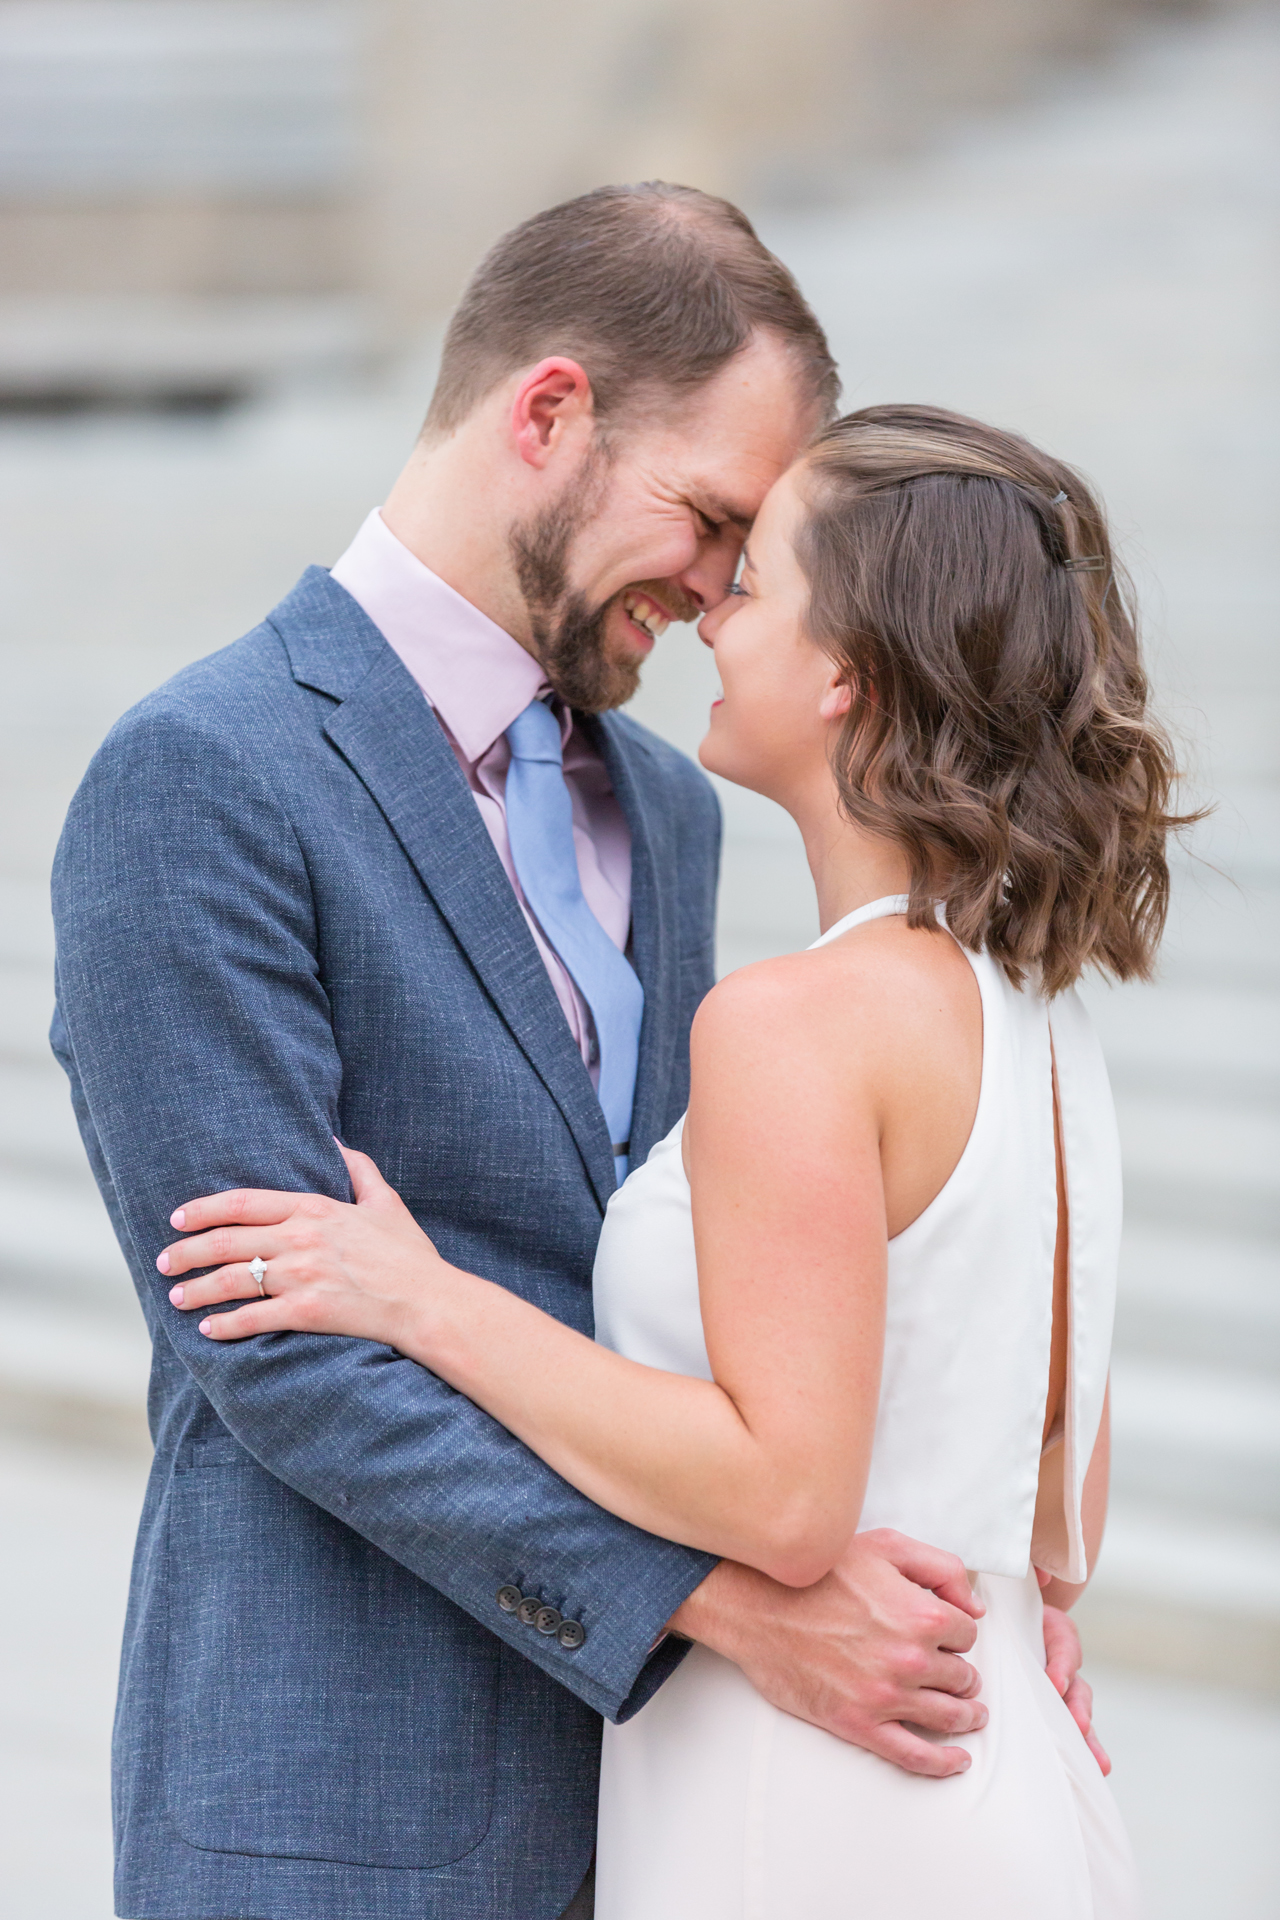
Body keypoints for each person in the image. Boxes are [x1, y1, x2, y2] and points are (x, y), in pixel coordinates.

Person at [52, 183, 1091, 1920]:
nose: (717, 591)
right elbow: (281, 1352)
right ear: (549, 415)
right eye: (709, 520)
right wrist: (734, 1608)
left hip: (664, 1819)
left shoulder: (670, 807)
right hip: (338, 1801)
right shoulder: (201, 776)